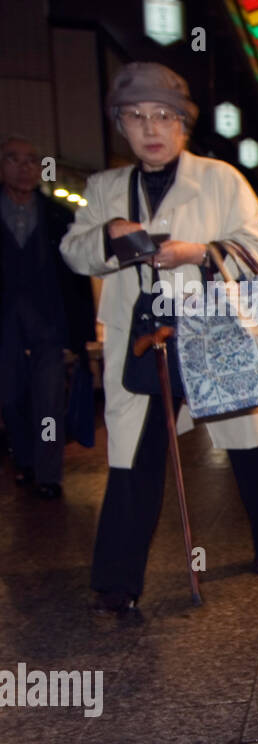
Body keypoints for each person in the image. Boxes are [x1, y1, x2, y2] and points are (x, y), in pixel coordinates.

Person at [60, 62, 258, 616]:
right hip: (145, 338)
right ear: (120, 125)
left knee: (249, 439)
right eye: (136, 116)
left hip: (215, 327)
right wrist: (109, 236)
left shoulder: (222, 179)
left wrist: (197, 252)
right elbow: (73, 253)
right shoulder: (104, 188)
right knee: (135, 455)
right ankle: (117, 580)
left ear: (183, 124)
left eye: (164, 116)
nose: (151, 128)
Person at [0, 134, 94, 498]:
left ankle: (48, 473)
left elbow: (78, 277)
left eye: (31, 160)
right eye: (13, 159)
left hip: (49, 323)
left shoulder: (58, 216)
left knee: (49, 402)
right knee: (10, 398)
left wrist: (81, 330)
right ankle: (24, 458)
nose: (23, 168)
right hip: (6, 324)